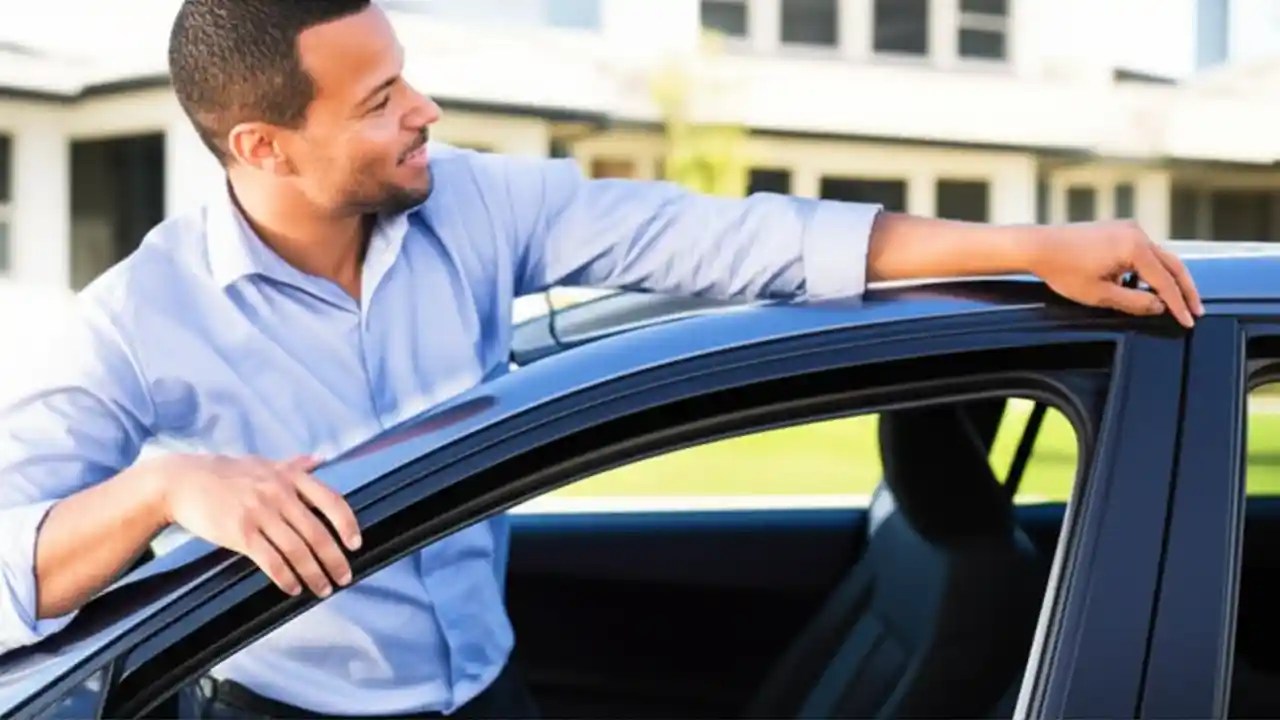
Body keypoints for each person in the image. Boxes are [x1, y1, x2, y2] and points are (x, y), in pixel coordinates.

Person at [0, 0, 1202, 717]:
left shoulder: (473, 205)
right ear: (263, 144)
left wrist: (1034, 242)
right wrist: (164, 489)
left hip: (491, 694)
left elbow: (736, 241)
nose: (422, 109)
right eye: (377, 99)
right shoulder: (138, 319)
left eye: (405, 74)